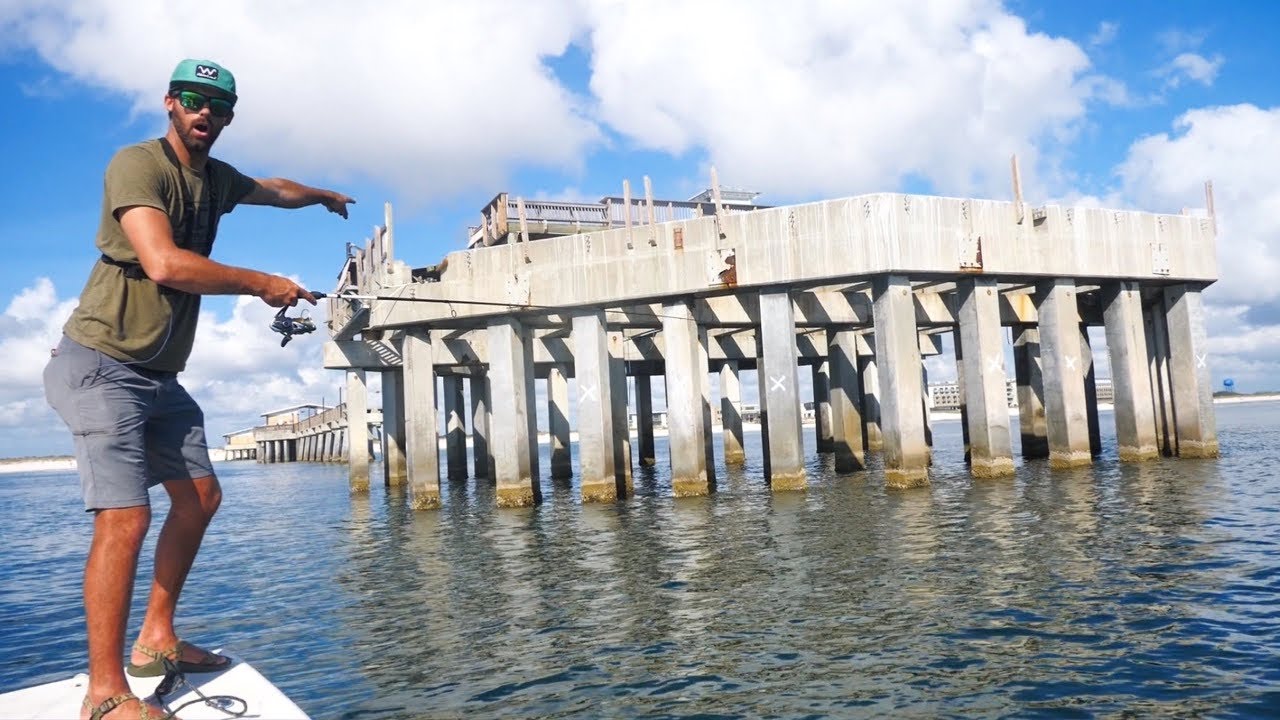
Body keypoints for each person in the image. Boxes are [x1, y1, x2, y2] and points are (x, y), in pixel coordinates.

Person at [43, 59, 355, 720]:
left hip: (159, 378)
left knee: (201, 497)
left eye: (218, 105)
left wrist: (322, 194)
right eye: (192, 100)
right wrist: (260, 282)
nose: (204, 112)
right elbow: (162, 262)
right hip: (100, 364)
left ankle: (157, 639)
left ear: (228, 117)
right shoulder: (138, 164)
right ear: (170, 105)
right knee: (125, 518)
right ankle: (103, 695)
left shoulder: (217, 179)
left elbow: (274, 188)